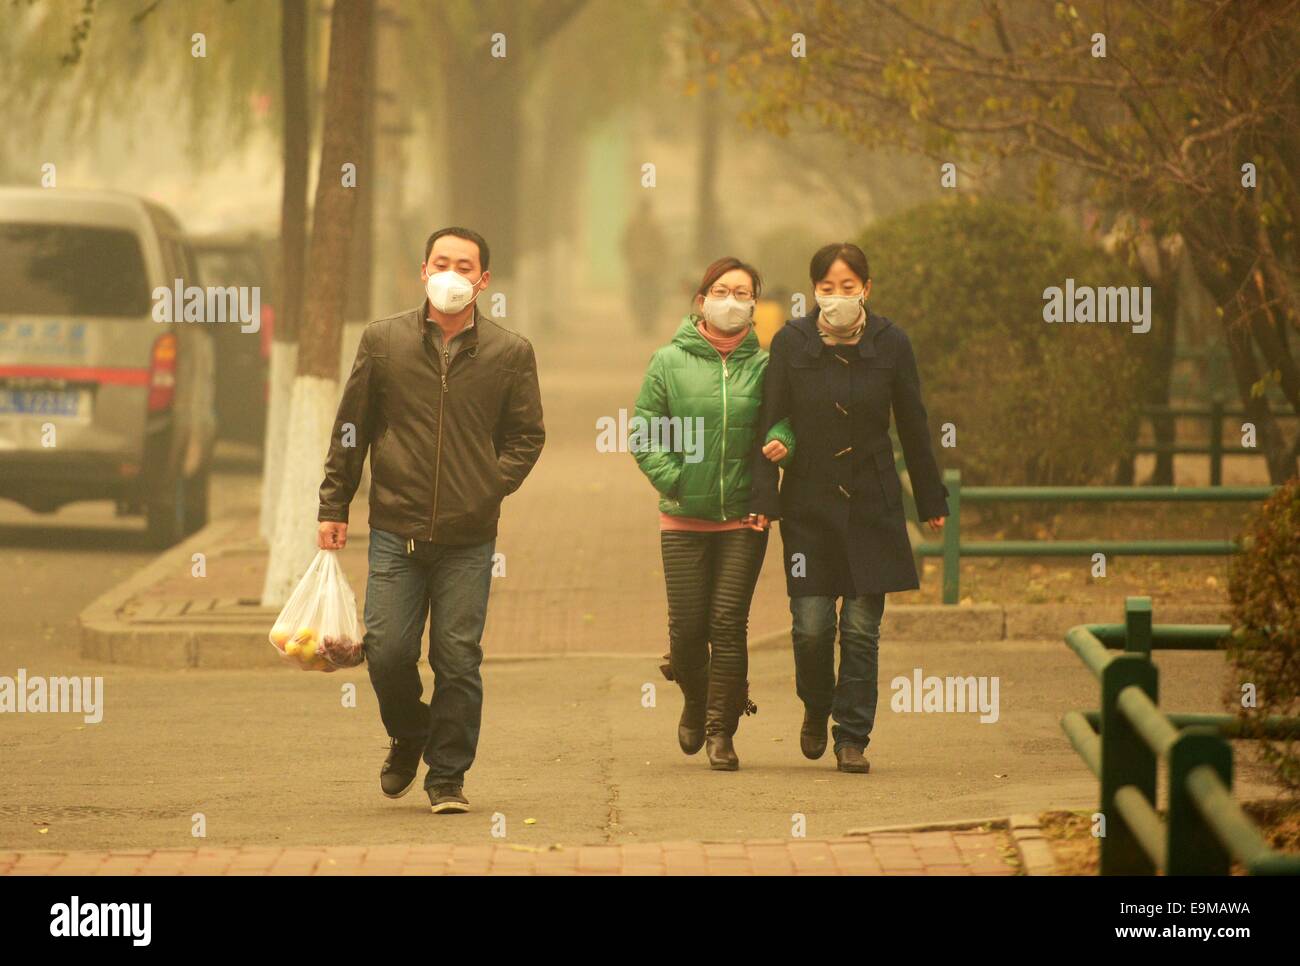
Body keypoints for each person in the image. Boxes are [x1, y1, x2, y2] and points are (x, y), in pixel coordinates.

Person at [317, 227, 545, 814]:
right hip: (396, 528)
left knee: (457, 656)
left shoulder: (509, 351)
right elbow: (352, 428)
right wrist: (334, 505)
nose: (451, 273)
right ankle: (410, 732)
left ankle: (447, 776)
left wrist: (487, 487)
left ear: (482, 280)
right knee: (389, 650)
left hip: (470, 539)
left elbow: (526, 436)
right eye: (441, 262)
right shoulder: (384, 340)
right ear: (423, 271)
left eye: (464, 265)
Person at [750, 242, 948, 774]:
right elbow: (771, 420)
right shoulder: (790, 343)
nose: (837, 297)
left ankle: (852, 736)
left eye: (847, 287)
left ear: (867, 287)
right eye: (826, 288)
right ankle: (816, 705)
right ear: (813, 291)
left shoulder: (892, 343)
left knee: (861, 629)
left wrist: (930, 498)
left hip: (873, 504)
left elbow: (913, 423)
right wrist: (764, 499)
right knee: (811, 625)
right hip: (809, 504)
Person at [631, 256, 795, 771]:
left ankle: (721, 730)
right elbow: (643, 432)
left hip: (744, 519)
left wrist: (782, 440)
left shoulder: (768, 367)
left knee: (727, 624)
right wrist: (675, 479)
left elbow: (788, 422)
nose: (731, 300)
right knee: (686, 629)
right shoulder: (667, 362)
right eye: (721, 291)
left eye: (742, 293)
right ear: (701, 301)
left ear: (754, 305)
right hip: (683, 520)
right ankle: (695, 700)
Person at [621, 196, 671, 335]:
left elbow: (624, 244)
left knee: (638, 296)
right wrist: (662, 263)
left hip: (637, 268)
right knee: (652, 297)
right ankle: (649, 323)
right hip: (652, 269)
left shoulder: (632, 225)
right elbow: (663, 247)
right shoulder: (655, 226)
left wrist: (630, 260)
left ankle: (642, 323)